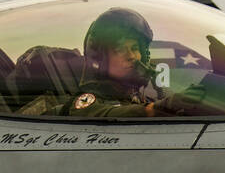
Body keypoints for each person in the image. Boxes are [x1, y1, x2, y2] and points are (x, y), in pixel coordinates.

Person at [60, 7, 206, 119]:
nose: (132, 56)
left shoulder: (142, 97)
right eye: (120, 50)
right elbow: (107, 115)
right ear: (100, 58)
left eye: (135, 48)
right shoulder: (88, 101)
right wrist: (156, 109)